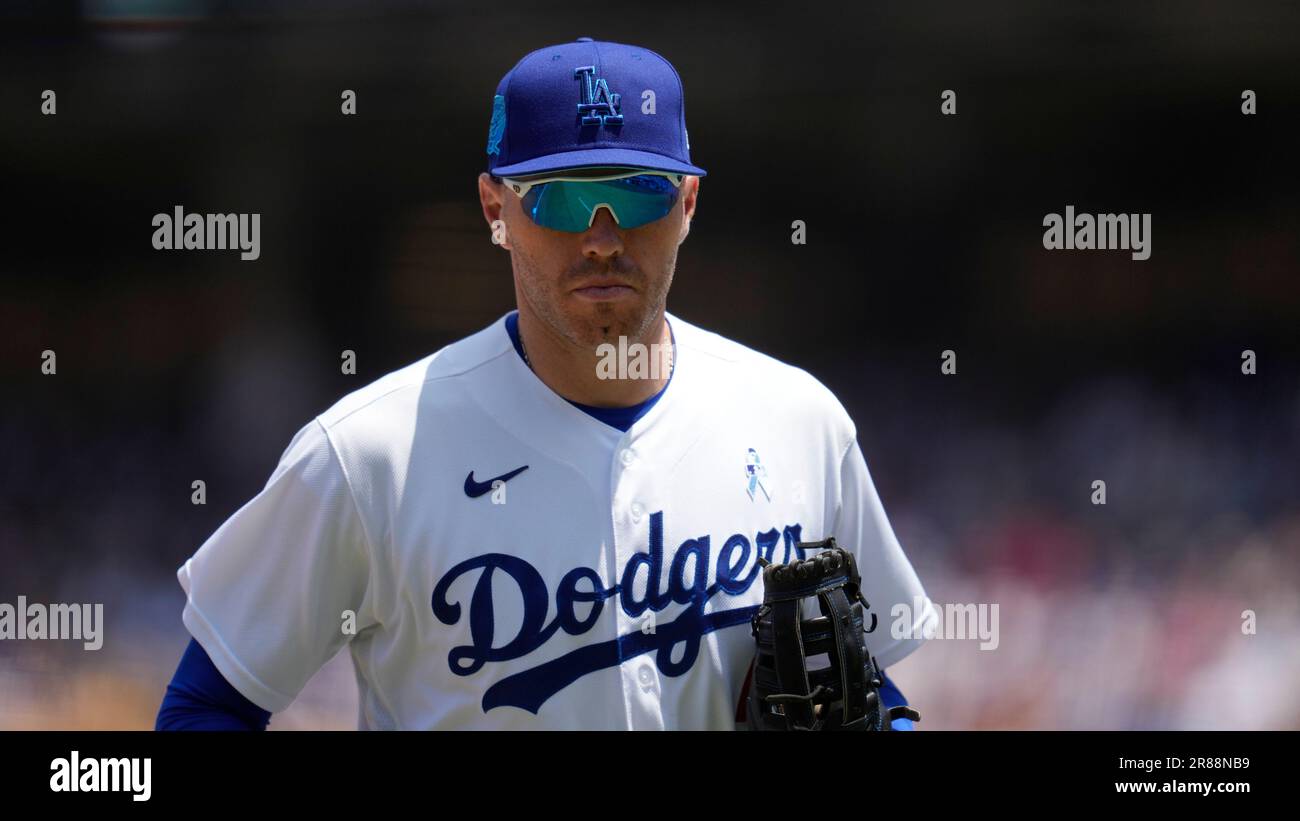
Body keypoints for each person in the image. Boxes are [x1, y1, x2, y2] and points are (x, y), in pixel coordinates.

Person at [157, 37, 935, 730]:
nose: (602, 236)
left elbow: (869, 686)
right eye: (559, 195)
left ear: (689, 203)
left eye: (639, 190)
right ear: (496, 208)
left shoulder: (799, 420)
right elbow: (209, 702)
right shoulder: (368, 454)